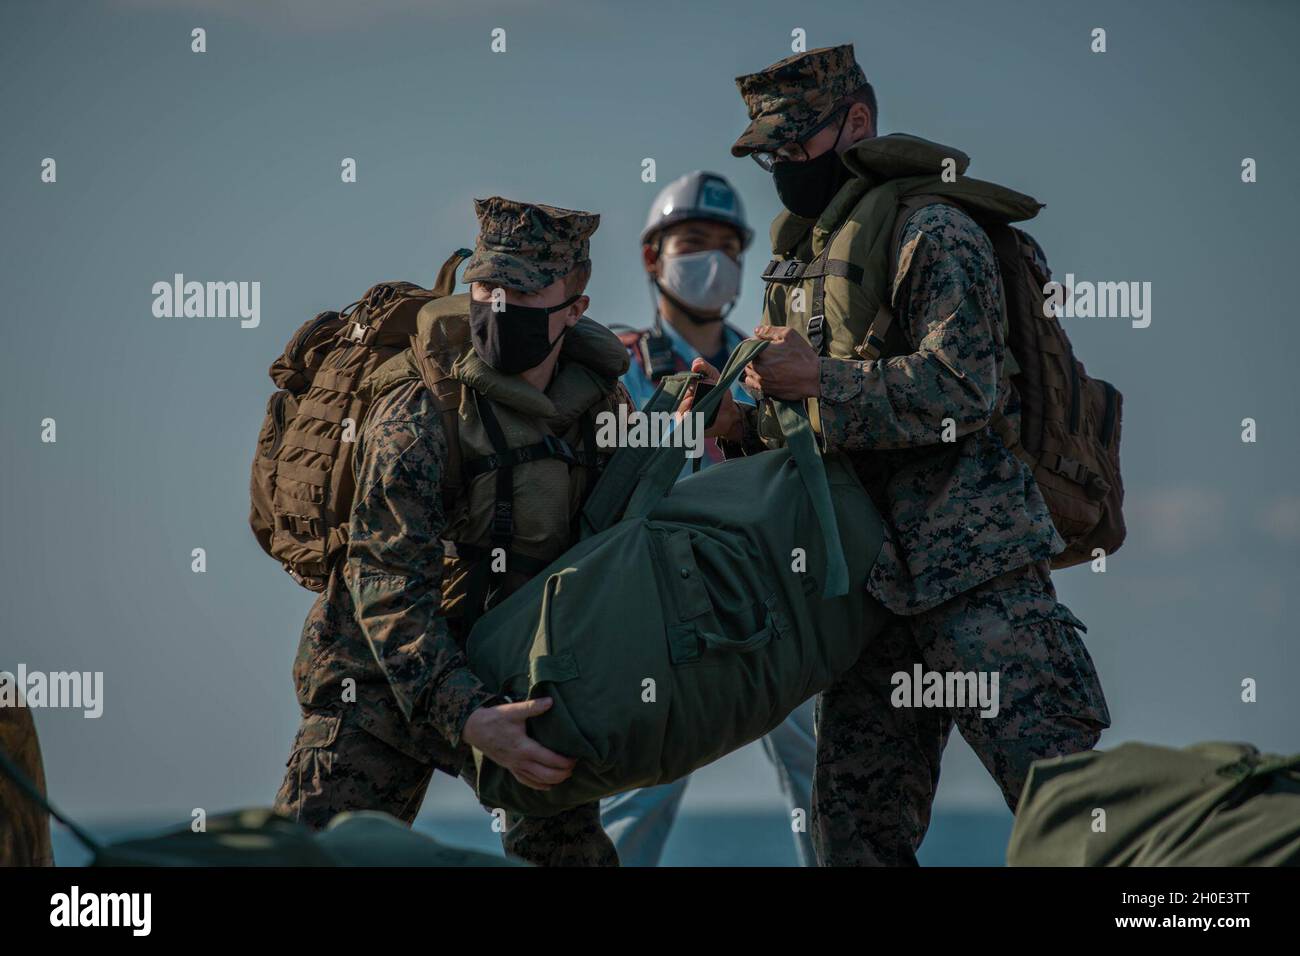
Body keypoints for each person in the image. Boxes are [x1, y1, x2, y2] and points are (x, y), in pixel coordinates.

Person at [693, 44, 1111, 865]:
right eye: (767, 153)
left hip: (979, 584)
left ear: (857, 123)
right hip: (871, 598)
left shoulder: (934, 228)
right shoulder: (799, 264)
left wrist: (821, 381)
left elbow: (965, 389)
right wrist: (744, 414)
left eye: (795, 143)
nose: (781, 164)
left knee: (1077, 820)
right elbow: (813, 432)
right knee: (854, 841)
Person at [273, 197, 632, 866]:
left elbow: (615, 551)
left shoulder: (598, 408)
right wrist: (468, 717)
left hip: (512, 678)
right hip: (378, 681)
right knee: (306, 861)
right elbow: (386, 590)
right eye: (487, 285)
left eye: (522, 289)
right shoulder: (418, 412)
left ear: (574, 309)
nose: (499, 304)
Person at [601, 171, 817, 866]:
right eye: (694, 242)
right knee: (637, 793)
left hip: (777, 608)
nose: (713, 260)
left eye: (729, 246)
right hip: (668, 615)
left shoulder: (771, 369)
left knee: (826, 783)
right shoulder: (620, 366)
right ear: (650, 256)